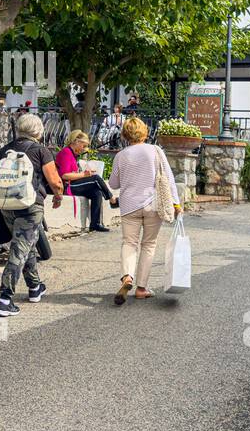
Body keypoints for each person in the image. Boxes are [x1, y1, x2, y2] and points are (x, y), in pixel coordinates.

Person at [0, 112, 63, 318]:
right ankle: (5, 298)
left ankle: (35, 287)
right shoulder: (41, 150)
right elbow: (55, 181)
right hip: (30, 206)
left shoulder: (7, 149)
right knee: (19, 249)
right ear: (39, 131)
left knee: (27, 244)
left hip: (7, 205)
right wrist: (58, 196)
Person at [108, 116, 180, 305]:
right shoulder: (155, 151)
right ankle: (141, 288)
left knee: (129, 242)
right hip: (152, 205)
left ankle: (127, 277)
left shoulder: (121, 155)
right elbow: (168, 178)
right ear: (144, 132)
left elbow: (113, 183)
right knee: (148, 244)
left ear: (125, 134)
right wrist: (176, 203)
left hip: (129, 205)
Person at [55, 130, 116, 232]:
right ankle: (112, 199)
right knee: (96, 178)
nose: (84, 149)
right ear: (76, 141)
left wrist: (84, 174)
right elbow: (64, 175)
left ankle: (95, 224)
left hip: (71, 184)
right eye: (83, 146)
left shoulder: (72, 154)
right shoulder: (66, 152)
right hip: (66, 186)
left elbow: (72, 173)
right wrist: (84, 174)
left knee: (96, 192)